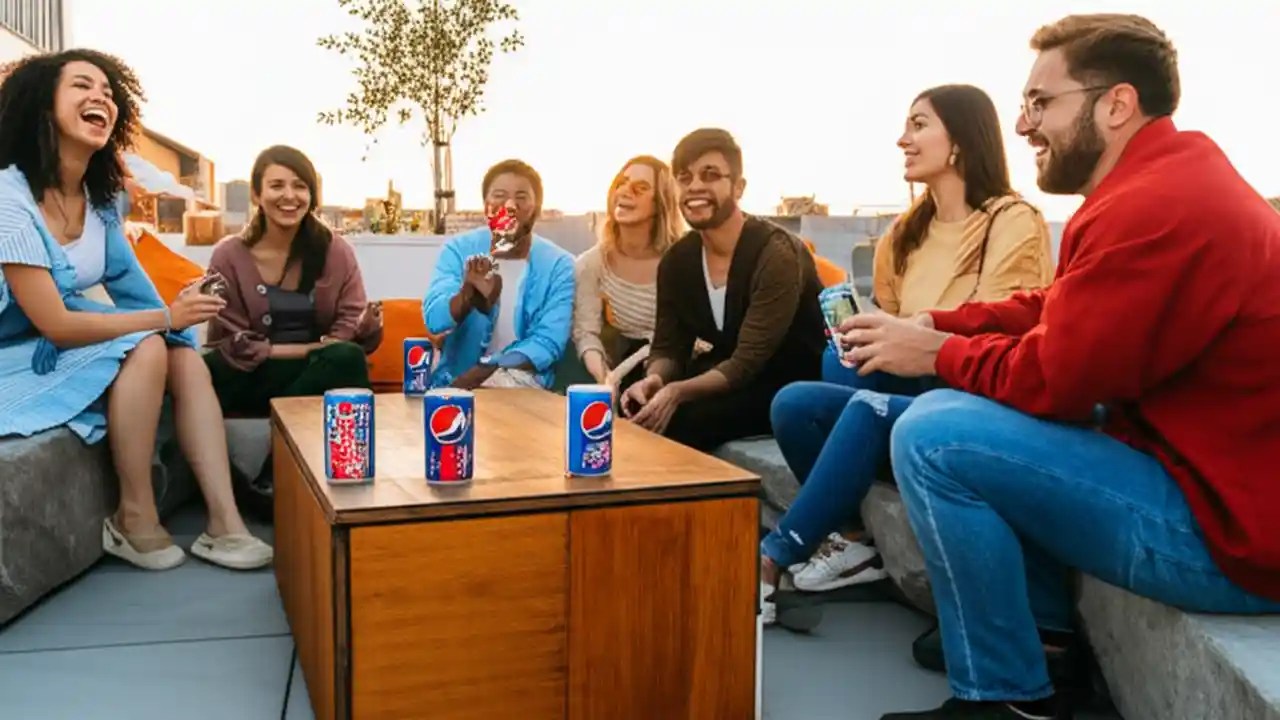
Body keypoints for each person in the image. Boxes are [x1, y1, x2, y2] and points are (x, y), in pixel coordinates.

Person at [842, 15, 1280, 720]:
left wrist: (939, 355)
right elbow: (1061, 308)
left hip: (1234, 541)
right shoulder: (1170, 178)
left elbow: (1057, 380)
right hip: (1208, 484)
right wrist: (937, 324)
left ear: (1116, 104)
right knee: (973, 417)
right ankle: (1044, 643)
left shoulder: (1154, 206)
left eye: (1041, 103)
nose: (1021, 125)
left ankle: (1004, 698)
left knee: (936, 436)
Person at [762, 85, 1055, 626]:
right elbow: (887, 321)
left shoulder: (1011, 221)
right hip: (906, 381)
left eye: (919, 125)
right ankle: (851, 539)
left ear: (962, 141)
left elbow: (1003, 330)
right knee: (797, 400)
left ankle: (773, 557)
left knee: (862, 405)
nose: (904, 139)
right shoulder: (904, 233)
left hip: (967, 387)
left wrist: (908, 338)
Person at [0, 49, 272, 571]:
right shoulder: (9, 197)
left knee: (179, 356)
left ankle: (224, 523)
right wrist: (166, 322)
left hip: (52, 341)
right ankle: (134, 514)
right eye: (81, 86)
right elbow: (55, 321)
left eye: (107, 91)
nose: (100, 97)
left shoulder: (100, 204)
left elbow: (142, 297)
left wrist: (183, 335)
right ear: (41, 105)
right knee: (150, 343)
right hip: (17, 349)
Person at [620, 128, 825, 451]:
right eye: (685, 178)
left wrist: (675, 392)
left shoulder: (776, 253)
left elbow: (747, 362)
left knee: (684, 418)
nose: (695, 186)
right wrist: (656, 380)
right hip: (728, 373)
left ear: (738, 186)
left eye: (710, 175)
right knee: (629, 399)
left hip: (788, 382)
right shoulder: (678, 260)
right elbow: (669, 348)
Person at [204, 145, 383, 417]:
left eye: (300, 186)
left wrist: (364, 326)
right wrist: (315, 349)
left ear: (311, 195)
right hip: (247, 375)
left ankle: (279, 450)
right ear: (257, 194)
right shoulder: (228, 255)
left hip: (313, 372)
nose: (289, 196)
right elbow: (234, 344)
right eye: (276, 185)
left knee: (348, 359)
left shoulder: (336, 251)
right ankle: (286, 443)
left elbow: (347, 326)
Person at [423, 159, 575, 390]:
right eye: (499, 195)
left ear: (537, 207)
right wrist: (467, 294)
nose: (509, 205)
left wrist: (490, 367)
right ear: (486, 206)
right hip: (455, 381)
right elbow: (434, 320)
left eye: (521, 197)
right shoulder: (458, 250)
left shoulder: (559, 265)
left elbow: (548, 342)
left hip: (524, 383)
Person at [572, 155, 683, 392]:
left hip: (682, 369)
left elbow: (697, 341)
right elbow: (586, 333)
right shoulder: (591, 264)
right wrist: (605, 379)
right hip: (626, 375)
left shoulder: (684, 259)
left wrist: (631, 371)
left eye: (640, 188)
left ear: (661, 202)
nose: (624, 191)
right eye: (620, 183)